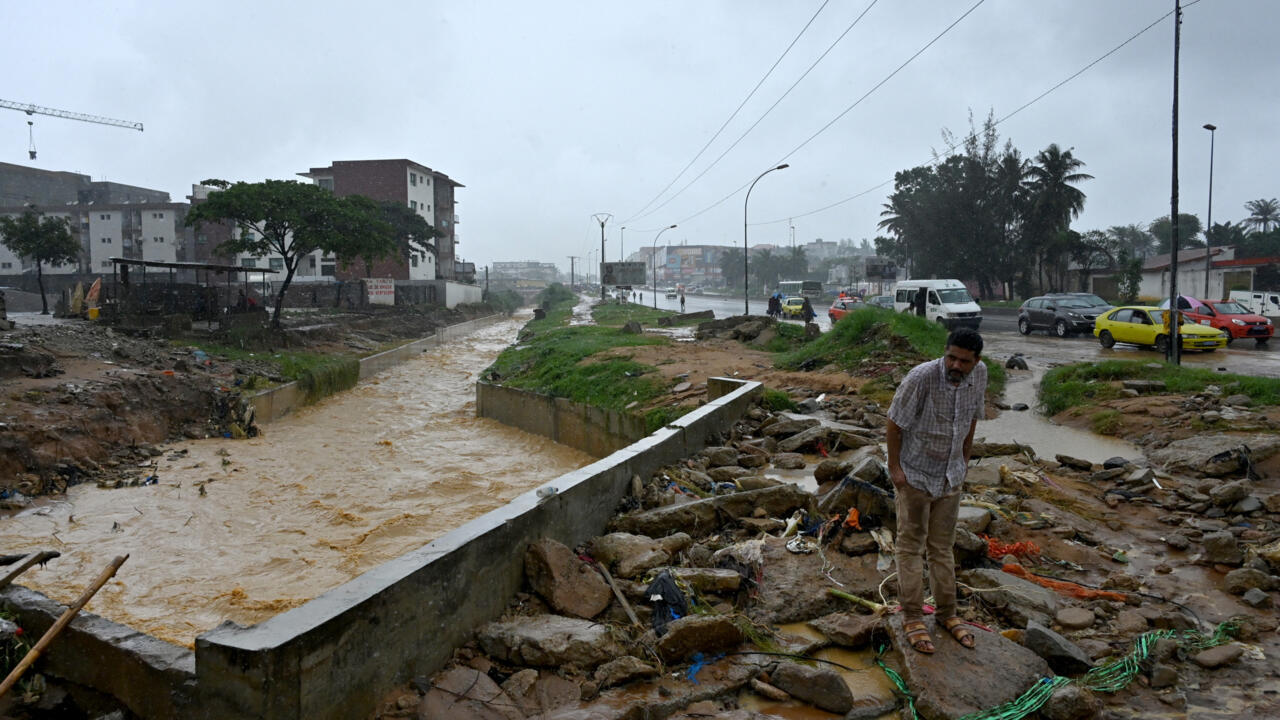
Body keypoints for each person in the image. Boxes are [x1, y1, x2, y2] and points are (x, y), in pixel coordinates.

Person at [885, 327, 986, 654]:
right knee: (911, 546)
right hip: (915, 475)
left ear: (976, 361)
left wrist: (965, 460)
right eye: (951, 357)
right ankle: (913, 616)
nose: (956, 366)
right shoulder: (922, 377)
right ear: (945, 353)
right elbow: (894, 422)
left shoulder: (979, 375)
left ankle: (947, 614)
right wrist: (895, 470)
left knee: (942, 547)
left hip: (950, 478)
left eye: (964, 361)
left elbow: (972, 418)